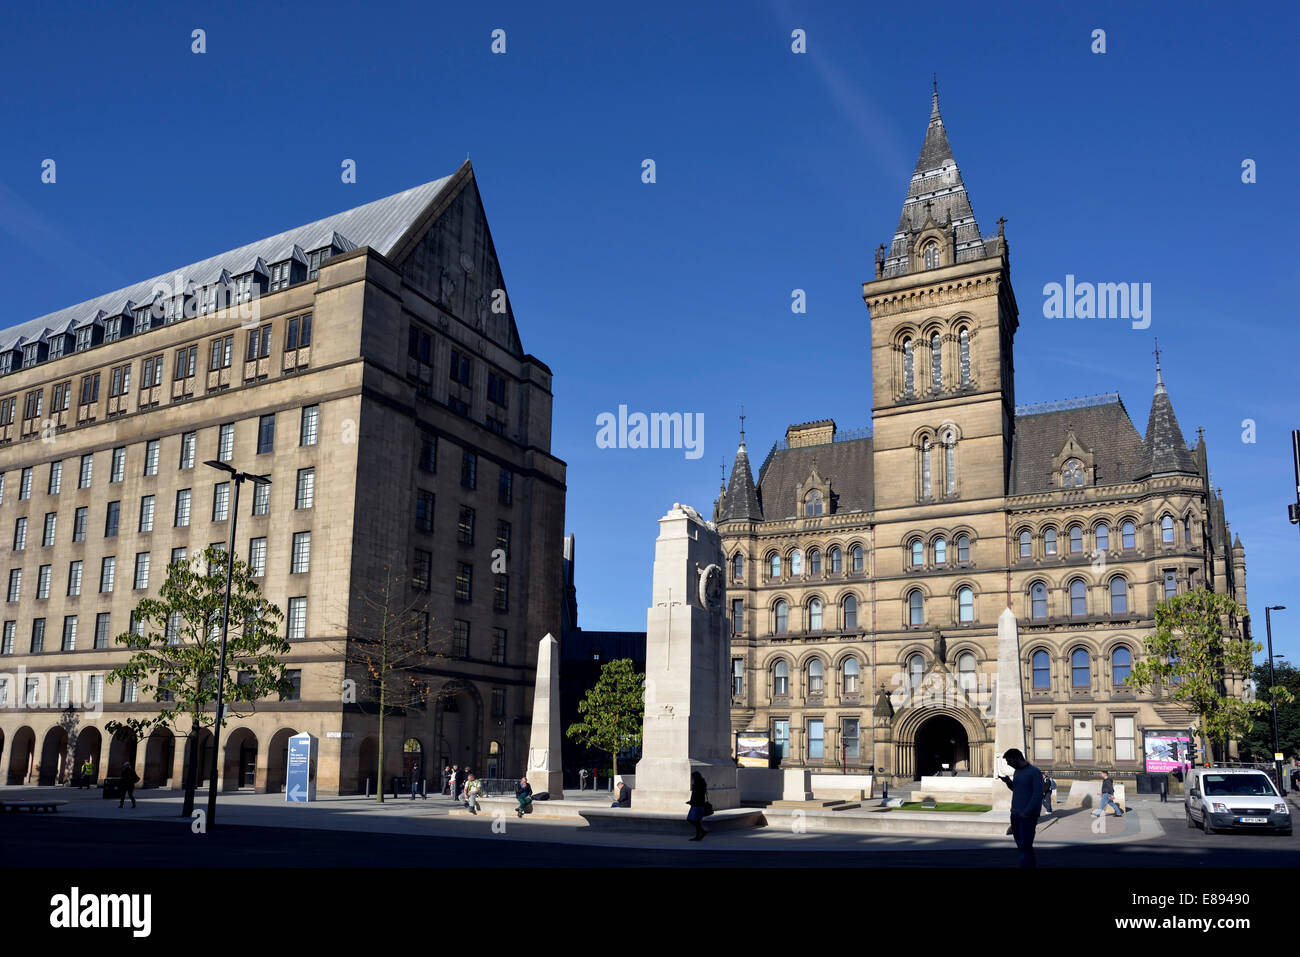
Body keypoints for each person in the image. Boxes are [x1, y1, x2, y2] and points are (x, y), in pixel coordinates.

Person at [997, 748, 1044, 868]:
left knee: (1025, 846)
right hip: (1015, 814)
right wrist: (1008, 781)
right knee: (1022, 846)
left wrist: (1027, 812)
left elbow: (1037, 795)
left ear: (1016, 758)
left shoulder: (1034, 772)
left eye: (1009, 761)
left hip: (1027, 816)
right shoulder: (1017, 772)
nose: (1008, 764)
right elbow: (1017, 789)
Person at [686, 771, 710, 841]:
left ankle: (702, 832)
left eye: (693, 777)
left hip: (696, 805)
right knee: (697, 821)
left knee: (690, 819)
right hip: (701, 805)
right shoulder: (702, 784)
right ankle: (698, 836)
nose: (692, 778)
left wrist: (691, 802)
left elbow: (695, 796)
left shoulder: (696, 785)